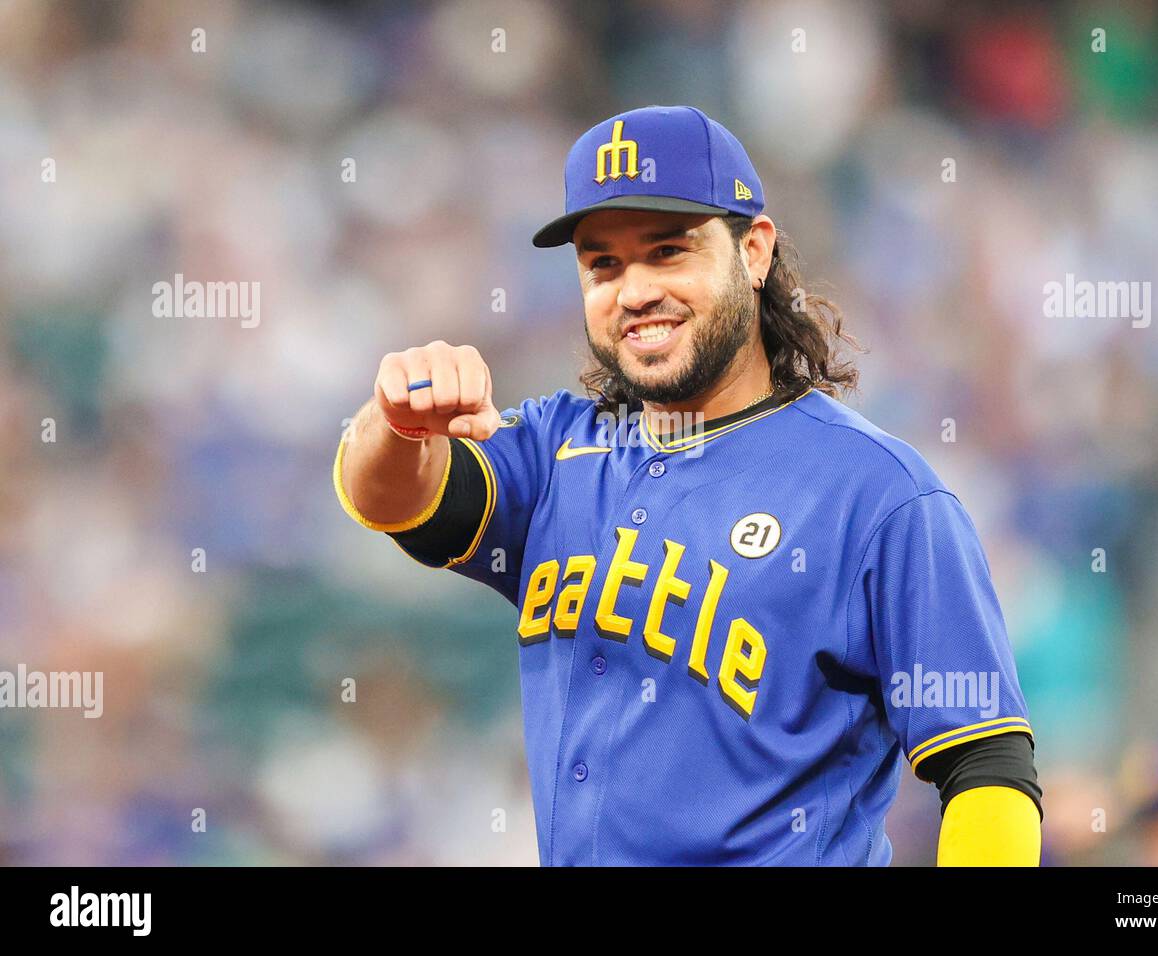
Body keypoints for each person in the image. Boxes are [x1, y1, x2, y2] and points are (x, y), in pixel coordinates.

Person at [335, 105, 1041, 866]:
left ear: (755, 252)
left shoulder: (877, 494)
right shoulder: (557, 450)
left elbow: (986, 769)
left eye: (668, 251)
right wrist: (398, 421)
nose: (634, 290)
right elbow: (392, 499)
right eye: (603, 264)